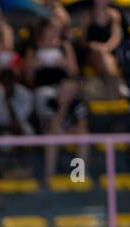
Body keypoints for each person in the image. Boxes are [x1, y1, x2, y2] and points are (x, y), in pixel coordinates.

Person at [26, 17, 87, 179]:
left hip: (63, 93)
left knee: (83, 136)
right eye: (52, 28)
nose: (55, 31)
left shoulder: (65, 47)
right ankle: (50, 177)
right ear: (44, 29)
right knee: (51, 131)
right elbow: (28, 77)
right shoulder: (34, 47)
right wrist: (35, 66)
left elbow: (73, 73)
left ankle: (78, 176)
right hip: (44, 92)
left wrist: (64, 65)